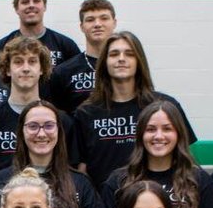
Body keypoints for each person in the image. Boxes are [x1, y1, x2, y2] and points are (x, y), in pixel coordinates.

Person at [98, 100, 213, 208]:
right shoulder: (118, 181)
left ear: (179, 134)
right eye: (150, 129)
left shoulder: (199, 180)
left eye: (167, 128)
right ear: (141, 135)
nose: (158, 136)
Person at [73, 31, 196, 190]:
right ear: (104, 62)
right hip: (107, 205)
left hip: (159, 203)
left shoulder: (165, 105)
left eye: (129, 54)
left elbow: (184, 157)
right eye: (114, 54)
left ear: (139, 61)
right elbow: (82, 170)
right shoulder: (86, 112)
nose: (121, 59)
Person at [0, 35, 74, 178]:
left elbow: (71, 172)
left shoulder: (62, 121)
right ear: (8, 70)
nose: (26, 68)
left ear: (42, 69)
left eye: (32, 62)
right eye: (18, 62)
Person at [0, 0, 80, 72]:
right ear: (16, 8)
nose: (31, 5)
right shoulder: (0, 48)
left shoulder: (67, 46)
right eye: (25, 2)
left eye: (36, 0)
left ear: (45, 6)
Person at [48, 0, 118, 115]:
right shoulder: (63, 72)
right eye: (90, 20)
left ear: (114, 23)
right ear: (82, 27)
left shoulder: (126, 66)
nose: (97, 24)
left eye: (104, 18)